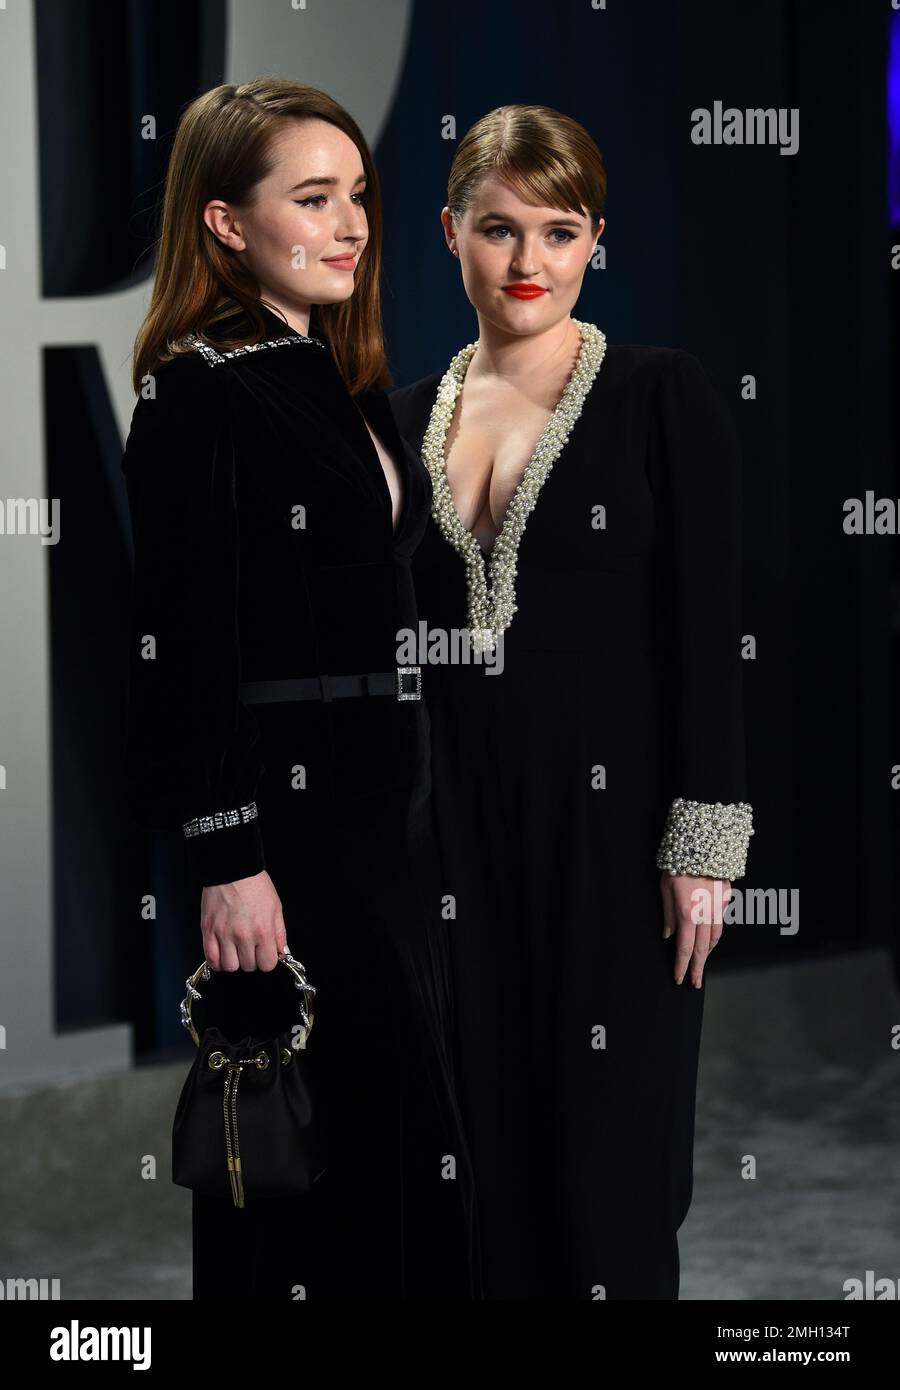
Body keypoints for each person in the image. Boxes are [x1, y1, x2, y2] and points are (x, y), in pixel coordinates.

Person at [120, 77, 479, 1300]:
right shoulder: (198, 386)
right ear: (226, 223)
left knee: (394, 1139)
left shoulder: (335, 372)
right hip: (289, 828)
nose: (350, 224)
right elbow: (180, 649)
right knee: (302, 1149)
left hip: (391, 816)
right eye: (312, 198)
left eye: (359, 195)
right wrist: (227, 856)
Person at [388, 104, 754, 1300]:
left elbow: (710, 629)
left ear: (596, 238)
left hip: (615, 838)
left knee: (611, 1175)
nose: (528, 262)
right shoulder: (395, 421)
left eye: (560, 230)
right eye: (499, 229)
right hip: (447, 836)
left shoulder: (662, 395)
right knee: (473, 1167)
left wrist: (704, 841)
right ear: (451, 233)